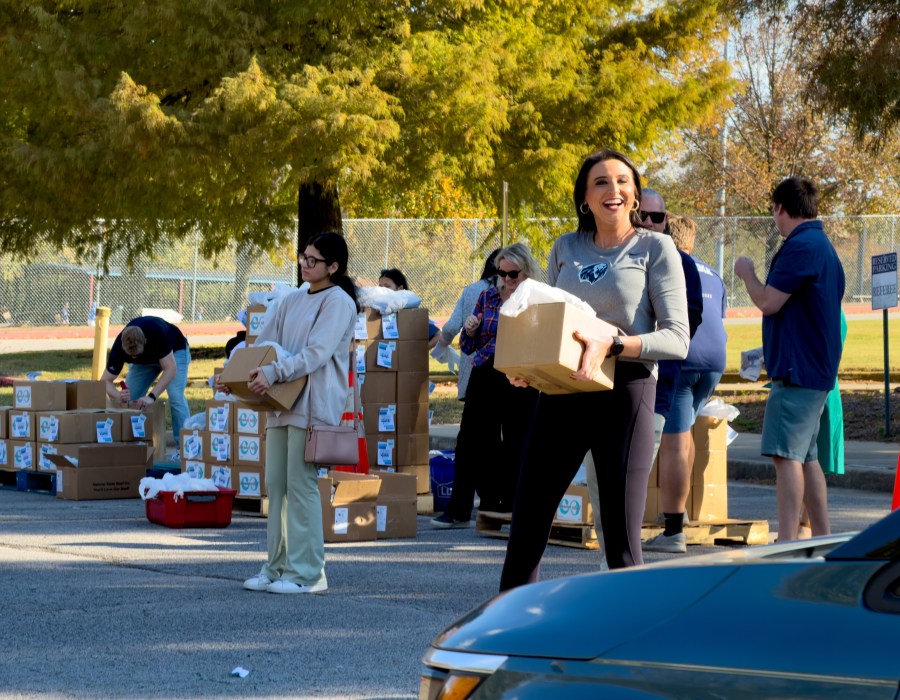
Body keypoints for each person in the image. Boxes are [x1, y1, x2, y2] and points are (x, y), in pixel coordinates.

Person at [499, 149, 689, 590]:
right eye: (601, 182)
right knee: (526, 523)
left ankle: (628, 641)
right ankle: (508, 628)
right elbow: (549, 320)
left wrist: (616, 341)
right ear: (584, 197)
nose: (614, 190)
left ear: (636, 194)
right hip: (563, 394)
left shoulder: (655, 248)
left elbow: (678, 339)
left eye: (623, 181)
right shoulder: (566, 247)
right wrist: (529, 367)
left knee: (620, 540)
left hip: (627, 393)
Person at [238, 231, 359, 594]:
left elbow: (316, 354)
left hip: (312, 404)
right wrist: (238, 377)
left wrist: (273, 372)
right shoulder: (291, 299)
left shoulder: (338, 302)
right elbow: (262, 347)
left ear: (333, 267)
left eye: (313, 260)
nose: (305, 264)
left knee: (300, 485)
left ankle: (309, 574)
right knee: (276, 485)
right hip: (280, 404)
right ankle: (275, 568)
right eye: (303, 257)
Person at [734, 176, 845, 542]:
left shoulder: (799, 246)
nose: (774, 219)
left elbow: (768, 301)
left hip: (798, 373)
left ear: (782, 208)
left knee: (786, 457)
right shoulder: (824, 246)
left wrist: (747, 272)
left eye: (773, 211)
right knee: (806, 457)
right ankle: (822, 537)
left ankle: (787, 541)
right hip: (815, 370)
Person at [432, 243, 540, 526]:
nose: (505, 280)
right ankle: (460, 510)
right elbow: (468, 347)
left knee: (516, 444)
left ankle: (514, 507)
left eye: (512, 274)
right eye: (500, 273)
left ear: (526, 272)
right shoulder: (487, 297)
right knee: (470, 442)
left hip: (521, 376)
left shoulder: (538, 301)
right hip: (486, 372)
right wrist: (469, 330)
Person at [645, 215, 728, 553]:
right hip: (715, 360)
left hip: (683, 357)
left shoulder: (669, 264)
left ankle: (674, 530)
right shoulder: (711, 272)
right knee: (685, 433)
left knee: (673, 442)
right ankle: (681, 518)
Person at [101, 316, 191, 447]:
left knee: (175, 395)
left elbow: (171, 369)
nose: (133, 357)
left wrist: (151, 396)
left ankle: (185, 448)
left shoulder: (157, 335)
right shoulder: (118, 348)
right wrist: (118, 395)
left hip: (175, 351)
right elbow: (104, 381)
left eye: (136, 355)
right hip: (145, 364)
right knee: (129, 398)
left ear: (146, 341)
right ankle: (133, 445)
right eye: (130, 355)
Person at [378, 268, 440, 350]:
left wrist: (418, 353)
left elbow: (438, 335)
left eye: (387, 286)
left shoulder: (409, 313)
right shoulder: (375, 310)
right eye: (380, 287)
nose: (382, 290)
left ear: (400, 288)